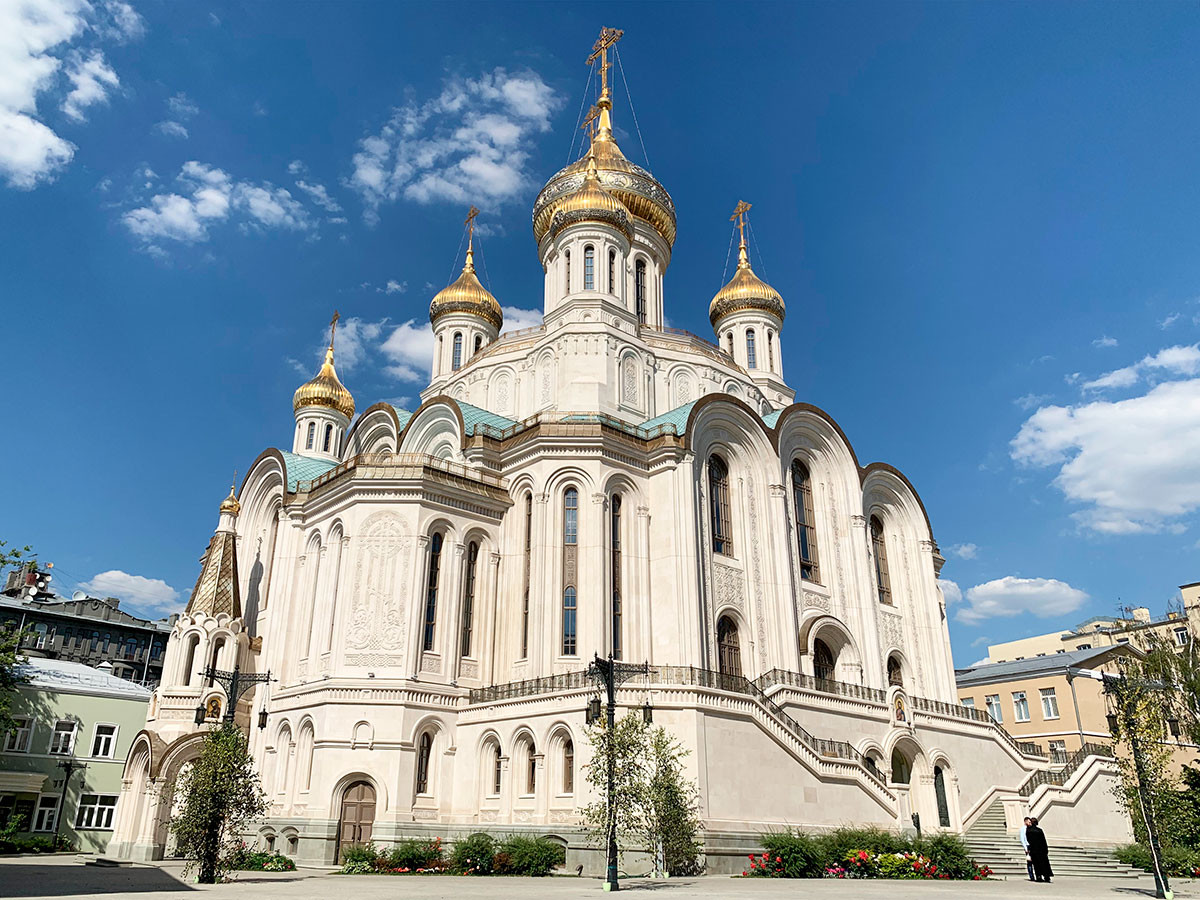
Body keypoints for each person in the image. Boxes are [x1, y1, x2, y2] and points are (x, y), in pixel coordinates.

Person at [1025, 816, 1053, 883]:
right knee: (1044, 863)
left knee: (1036, 864)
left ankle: (1039, 876)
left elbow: (1029, 840)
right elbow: (1043, 840)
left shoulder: (1028, 831)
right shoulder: (1039, 830)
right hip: (1042, 849)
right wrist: (1046, 849)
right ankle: (1047, 876)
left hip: (1034, 850)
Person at [1019, 816, 1035, 881]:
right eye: (1029, 822)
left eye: (1030, 822)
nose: (1030, 823)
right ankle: (1031, 876)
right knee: (1029, 862)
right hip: (1027, 846)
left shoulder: (1030, 828)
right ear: (1025, 822)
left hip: (1032, 845)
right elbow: (1022, 839)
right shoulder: (1023, 829)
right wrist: (1025, 848)